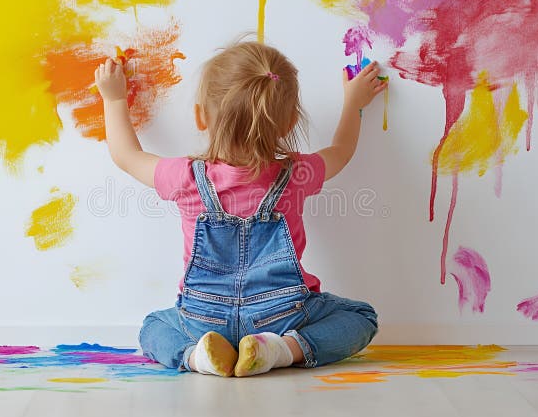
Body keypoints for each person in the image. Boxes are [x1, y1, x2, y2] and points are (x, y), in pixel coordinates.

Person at [93, 40, 387, 377]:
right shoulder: (297, 173)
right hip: (281, 315)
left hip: (203, 318)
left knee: (153, 328)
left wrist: (114, 99)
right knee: (361, 318)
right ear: (290, 122)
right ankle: (281, 349)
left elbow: (127, 157)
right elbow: (341, 151)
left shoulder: (185, 177)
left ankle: (197, 356)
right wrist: (353, 103)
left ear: (200, 116)